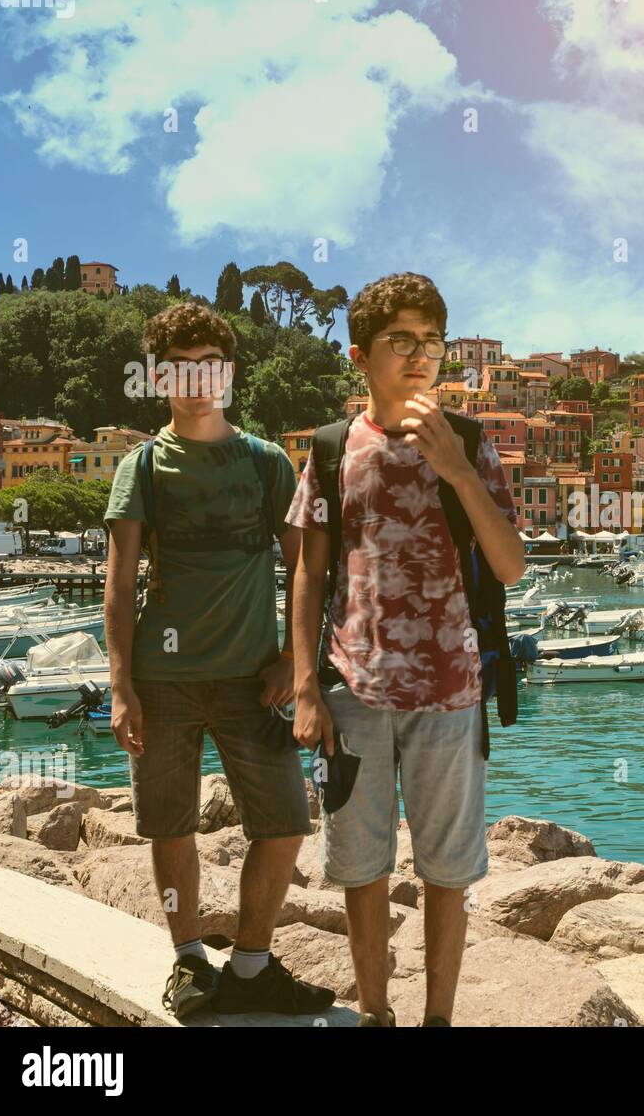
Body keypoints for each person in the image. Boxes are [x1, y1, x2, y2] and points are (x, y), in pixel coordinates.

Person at [288, 272, 524, 1027]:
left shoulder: (474, 443)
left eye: (432, 340)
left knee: (447, 871)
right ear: (361, 354)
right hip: (352, 691)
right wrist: (302, 686)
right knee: (361, 866)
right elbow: (309, 571)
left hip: (453, 693)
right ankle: (375, 1011)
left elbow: (513, 565)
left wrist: (455, 466)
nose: (420, 354)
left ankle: (439, 1019)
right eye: (401, 341)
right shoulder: (331, 449)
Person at [104, 303, 335, 1020]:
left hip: (249, 677)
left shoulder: (267, 463)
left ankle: (254, 964)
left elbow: (305, 571)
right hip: (160, 680)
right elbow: (117, 584)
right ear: (159, 375)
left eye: (209, 365)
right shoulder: (140, 464)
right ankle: (188, 962)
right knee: (169, 824)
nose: (196, 380)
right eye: (180, 367)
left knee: (287, 820)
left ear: (227, 372)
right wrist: (119, 686)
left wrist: (297, 664)